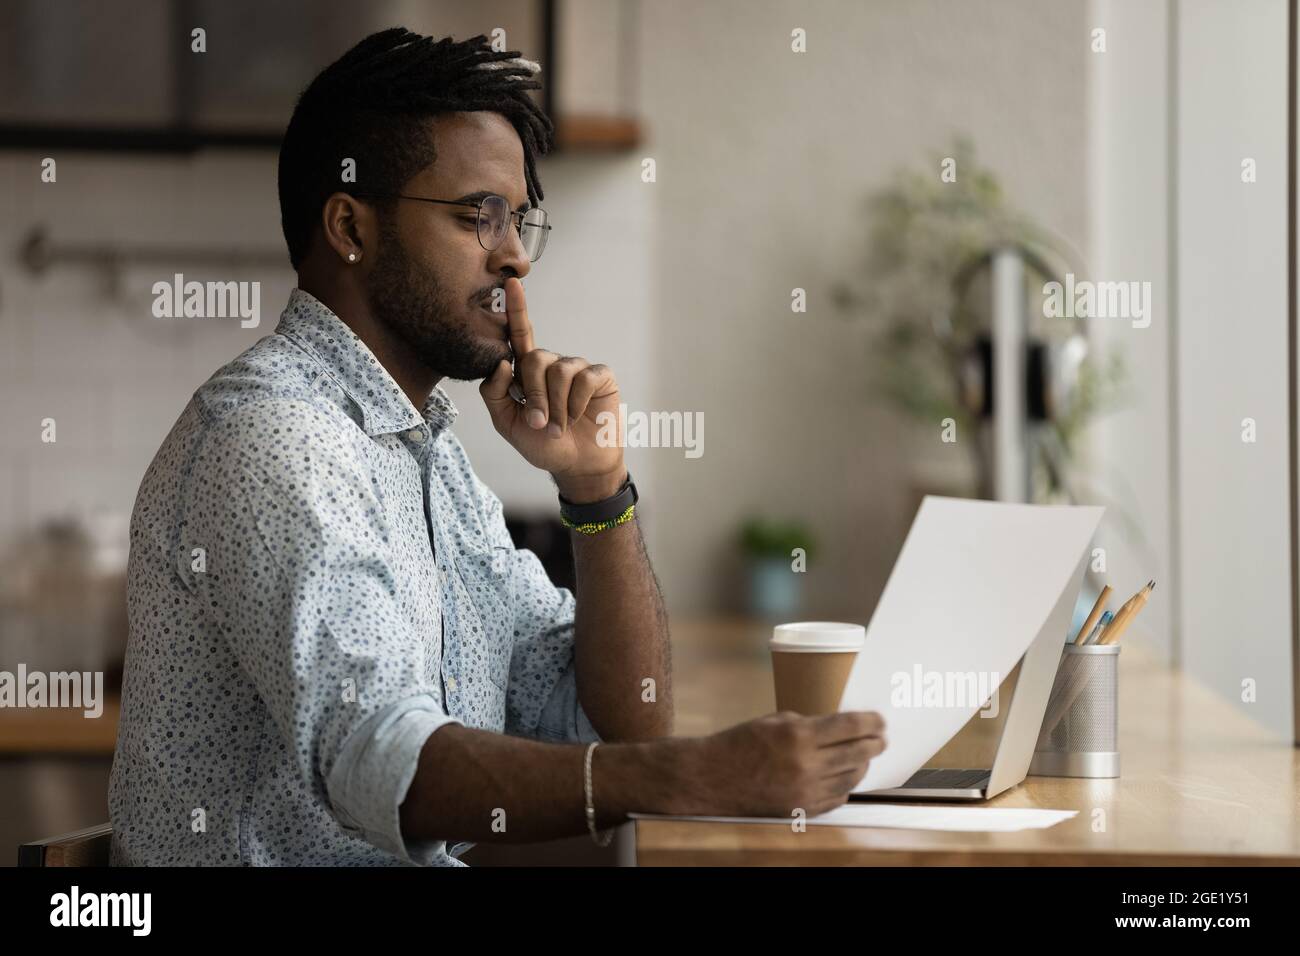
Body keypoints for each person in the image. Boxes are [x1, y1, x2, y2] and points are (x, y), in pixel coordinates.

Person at [109, 28, 886, 866]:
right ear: (350, 227)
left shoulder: (427, 454)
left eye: (519, 219)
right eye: (478, 215)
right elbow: (383, 759)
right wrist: (689, 776)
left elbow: (616, 723)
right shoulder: (273, 439)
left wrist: (599, 493)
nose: (514, 256)